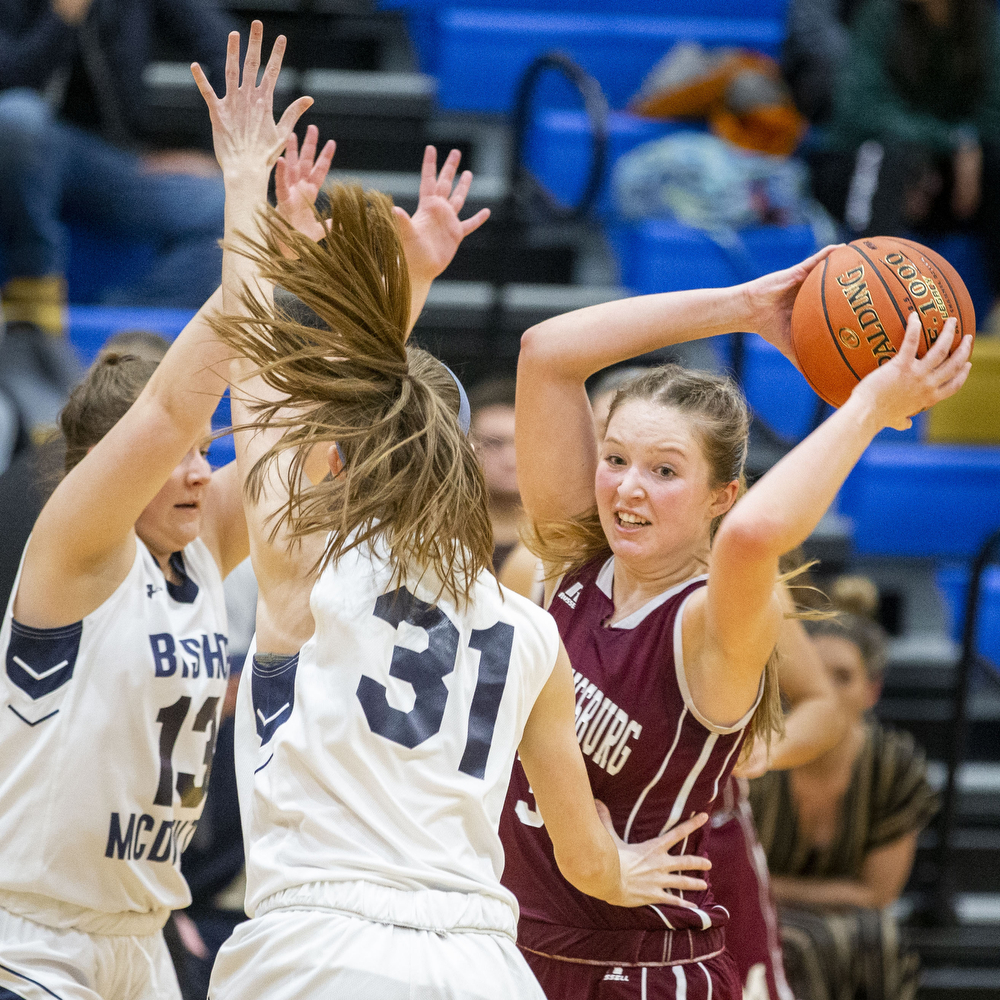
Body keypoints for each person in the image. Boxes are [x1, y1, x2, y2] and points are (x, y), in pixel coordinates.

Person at [188, 24, 716, 1000]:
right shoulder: (528, 630)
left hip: (323, 947)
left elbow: (257, 376)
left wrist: (245, 189)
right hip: (481, 963)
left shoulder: (307, 569)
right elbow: (588, 859)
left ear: (340, 466)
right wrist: (629, 874)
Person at [499, 249, 971, 997]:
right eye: (615, 457)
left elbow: (754, 537)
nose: (627, 486)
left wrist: (870, 408)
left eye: (664, 470)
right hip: (509, 947)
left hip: (637, 967)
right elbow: (546, 353)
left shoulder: (702, 620)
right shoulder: (570, 563)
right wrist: (748, 305)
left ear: (722, 495)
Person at [0, 30, 315, 999]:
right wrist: (244, 193)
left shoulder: (201, 546)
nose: (194, 470)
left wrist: (312, 273)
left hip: (139, 937)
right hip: (32, 937)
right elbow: (183, 398)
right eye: (170, 457)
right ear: (104, 472)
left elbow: (284, 419)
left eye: (201, 457)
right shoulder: (80, 552)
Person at [0, 0, 234, 432]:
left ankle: (124, 330)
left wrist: (217, 151)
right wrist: (60, 18)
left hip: (105, 160)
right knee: (17, 118)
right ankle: (33, 299)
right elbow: (12, 80)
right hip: (17, 152)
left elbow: (226, 47)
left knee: (222, 203)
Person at [749, 578, 939, 1000]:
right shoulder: (758, 752)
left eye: (843, 677)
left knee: (880, 936)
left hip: (849, 923)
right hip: (754, 914)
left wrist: (770, 885)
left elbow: (877, 894)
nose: (828, 693)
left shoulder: (893, 764)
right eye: (817, 675)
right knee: (799, 945)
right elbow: (729, 882)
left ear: (872, 691)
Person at [809, 0, 1000, 323]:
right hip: (863, 159)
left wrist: (966, 143)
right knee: (888, 157)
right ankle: (860, 295)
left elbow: (992, 111)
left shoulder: (983, 21)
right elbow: (862, 110)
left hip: (951, 175)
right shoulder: (879, 13)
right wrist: (951, 141)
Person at [706, 607, 846, 1000]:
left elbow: (823, 706)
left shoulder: (740, 574)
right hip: (569, 837)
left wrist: (762, 751)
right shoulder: (537, 571)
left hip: (707, 844)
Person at [468, 378, 522, 573]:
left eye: (521, 443)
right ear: (468, 447)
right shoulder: (444, 538)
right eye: (494, 443)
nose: (510, 460)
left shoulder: (561, 542)